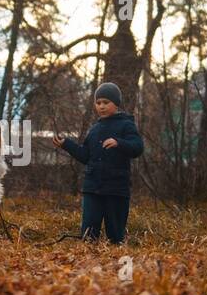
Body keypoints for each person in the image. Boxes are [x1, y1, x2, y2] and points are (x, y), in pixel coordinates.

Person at [52, 82, 143, 244]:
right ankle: (87, 263)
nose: (101, 106)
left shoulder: (126, 125)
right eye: (98, 102)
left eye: (106, 102)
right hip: (92, 188)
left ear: (116, 104)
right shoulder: (94, 129)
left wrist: (119, 143)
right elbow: (85, 156)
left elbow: (138, 148)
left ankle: (113, 262)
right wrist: (66, 144)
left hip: (116, 189)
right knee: (88, 235)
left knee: (115, 236)